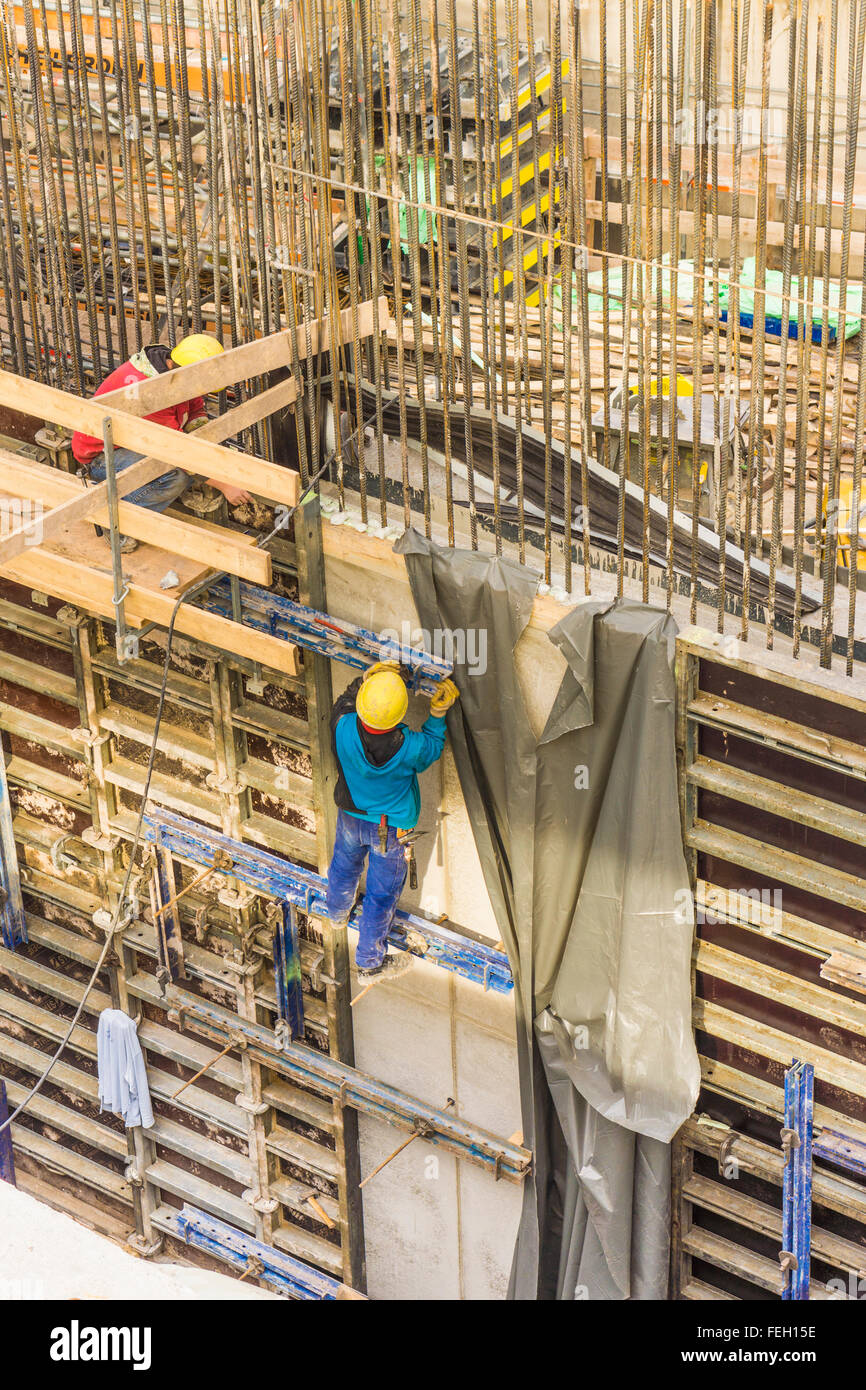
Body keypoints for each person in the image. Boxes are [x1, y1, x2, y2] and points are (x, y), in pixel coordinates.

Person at [325, 660, 460, 979]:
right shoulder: (409, 747)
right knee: (381, 895)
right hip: (390, 829)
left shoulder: (342, 726)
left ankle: (336, 914)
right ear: (399, 716)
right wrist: (438, 713)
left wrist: (367, 678)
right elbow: (432, 746)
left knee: (343, 868)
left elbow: (345, 703)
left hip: (351, 817)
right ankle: (370, 963)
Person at [71, 334, 252, 552]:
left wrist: (205, 441)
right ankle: (117, 523)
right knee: (174, 475)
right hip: (102, 456)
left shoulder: (177, 373)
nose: (203, 393)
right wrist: (225, 485)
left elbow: (195, 410)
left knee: (188, 466)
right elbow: (176, 453)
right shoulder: (150, 393)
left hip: (133, 443)